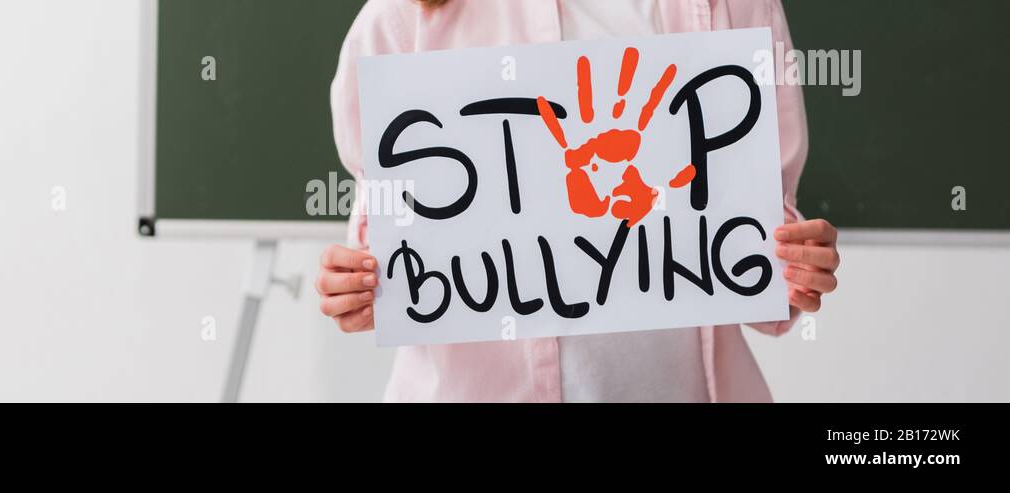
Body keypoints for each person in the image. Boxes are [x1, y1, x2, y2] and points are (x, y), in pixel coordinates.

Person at [317, 0, 841, 402]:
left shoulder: (735, 7)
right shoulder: (404, 16)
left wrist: (794, 265)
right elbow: (389, 234)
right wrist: (362, 288)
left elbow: (761, 235)